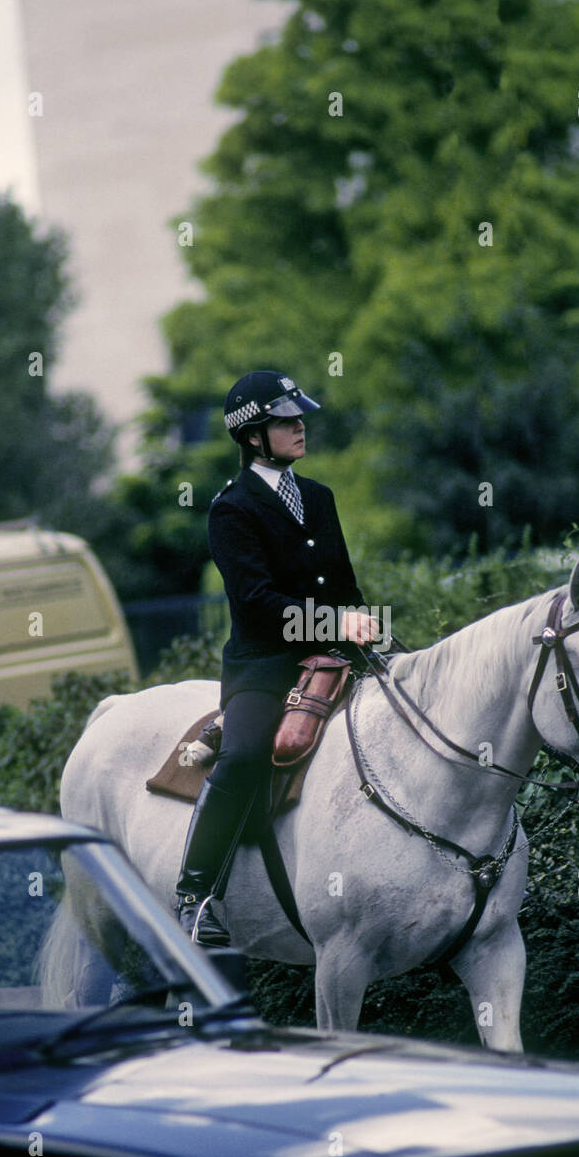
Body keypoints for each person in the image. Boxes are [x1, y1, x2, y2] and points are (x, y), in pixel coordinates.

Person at [175, 370, 379, 947]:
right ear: (253, 436)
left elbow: (345, 588)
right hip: (265, 665)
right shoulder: (231, 509)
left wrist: (369, 632)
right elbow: (260, 605)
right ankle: (194, 895)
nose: (300, 425)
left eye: (299, 416)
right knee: (241, 757)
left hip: (333, 656)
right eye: (287, 420)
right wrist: (335, 622)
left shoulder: (319, 497)